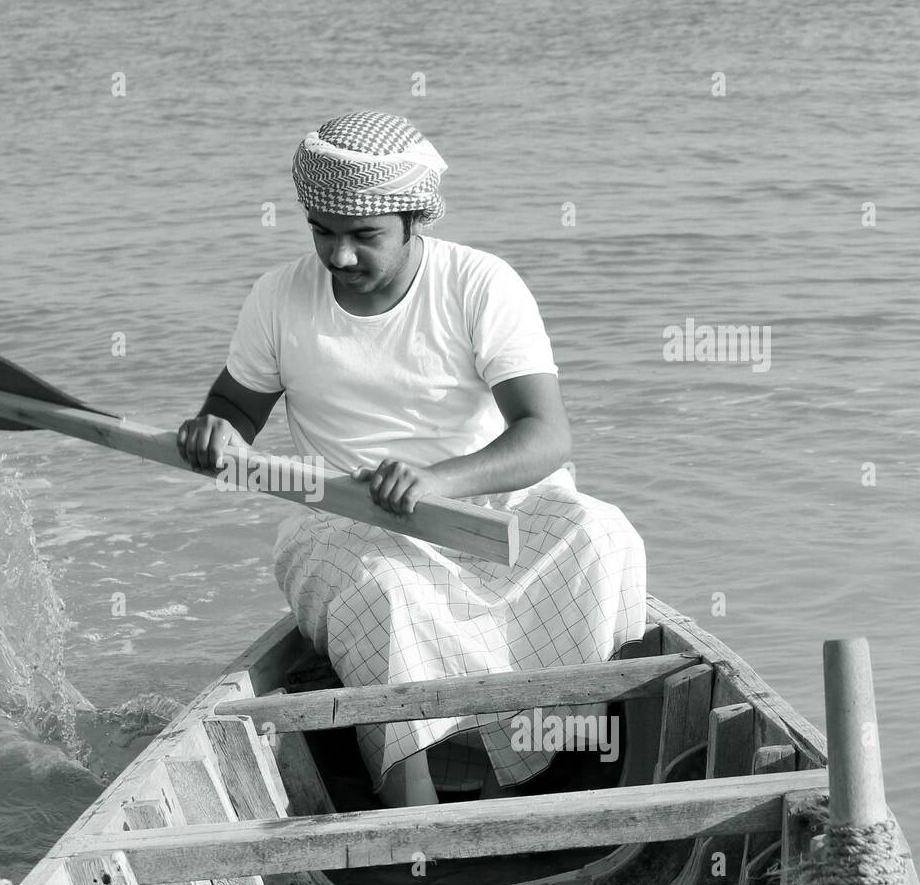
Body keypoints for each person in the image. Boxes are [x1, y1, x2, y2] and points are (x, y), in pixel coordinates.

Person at [177, 110, 646, 807]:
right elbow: (232, 417)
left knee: (604, 538)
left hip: (486, 510)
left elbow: (545, 436)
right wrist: (213, 433)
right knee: (386, 592)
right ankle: (413, 815)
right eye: (322, 233)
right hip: (344, 525)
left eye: (363, 237)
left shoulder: (480, 283)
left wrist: (436, 480)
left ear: (413, 221)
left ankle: (562, 768)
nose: (338, 258)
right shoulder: (277, 298)